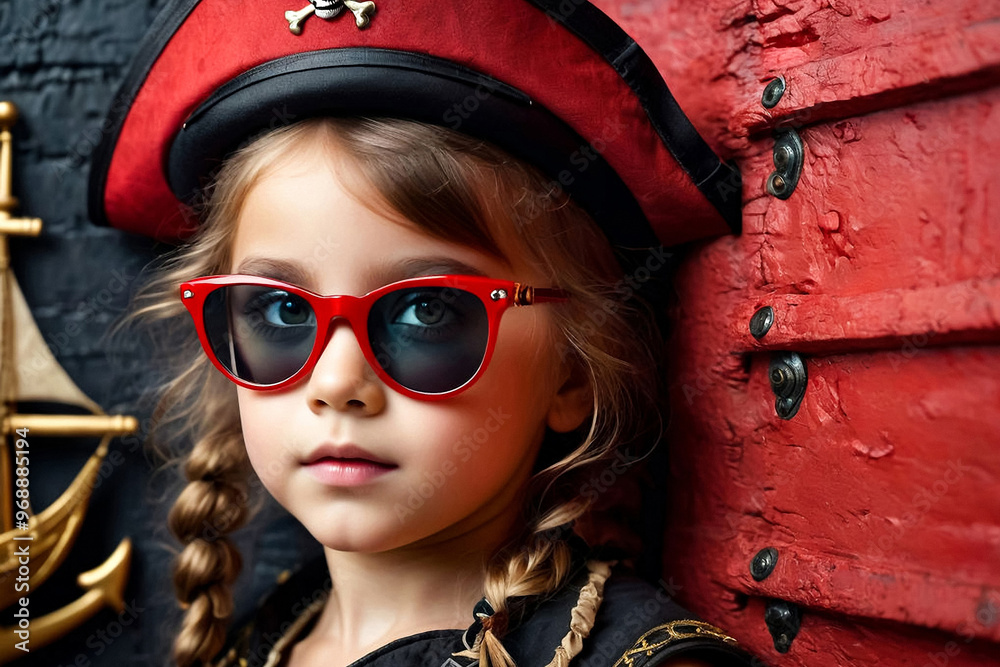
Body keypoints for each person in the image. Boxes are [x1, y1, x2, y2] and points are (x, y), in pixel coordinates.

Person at [90, 1, 750, 666]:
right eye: (283, 310)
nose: (338, 384)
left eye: (426, 311)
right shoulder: (260, 641)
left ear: (572, 369)